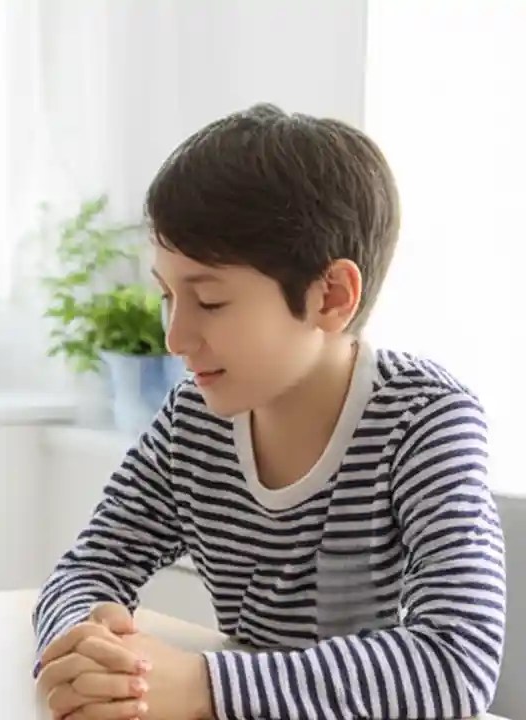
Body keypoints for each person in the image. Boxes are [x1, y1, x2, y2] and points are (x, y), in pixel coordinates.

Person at [32, 104, 506, 720]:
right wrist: (90, 648)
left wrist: (206, 686)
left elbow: (457, 661)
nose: (175, 338)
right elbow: (88, 568)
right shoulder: (193, 421)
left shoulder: (425, 421)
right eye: (167, 296)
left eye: (209, 300)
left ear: (330, 296)